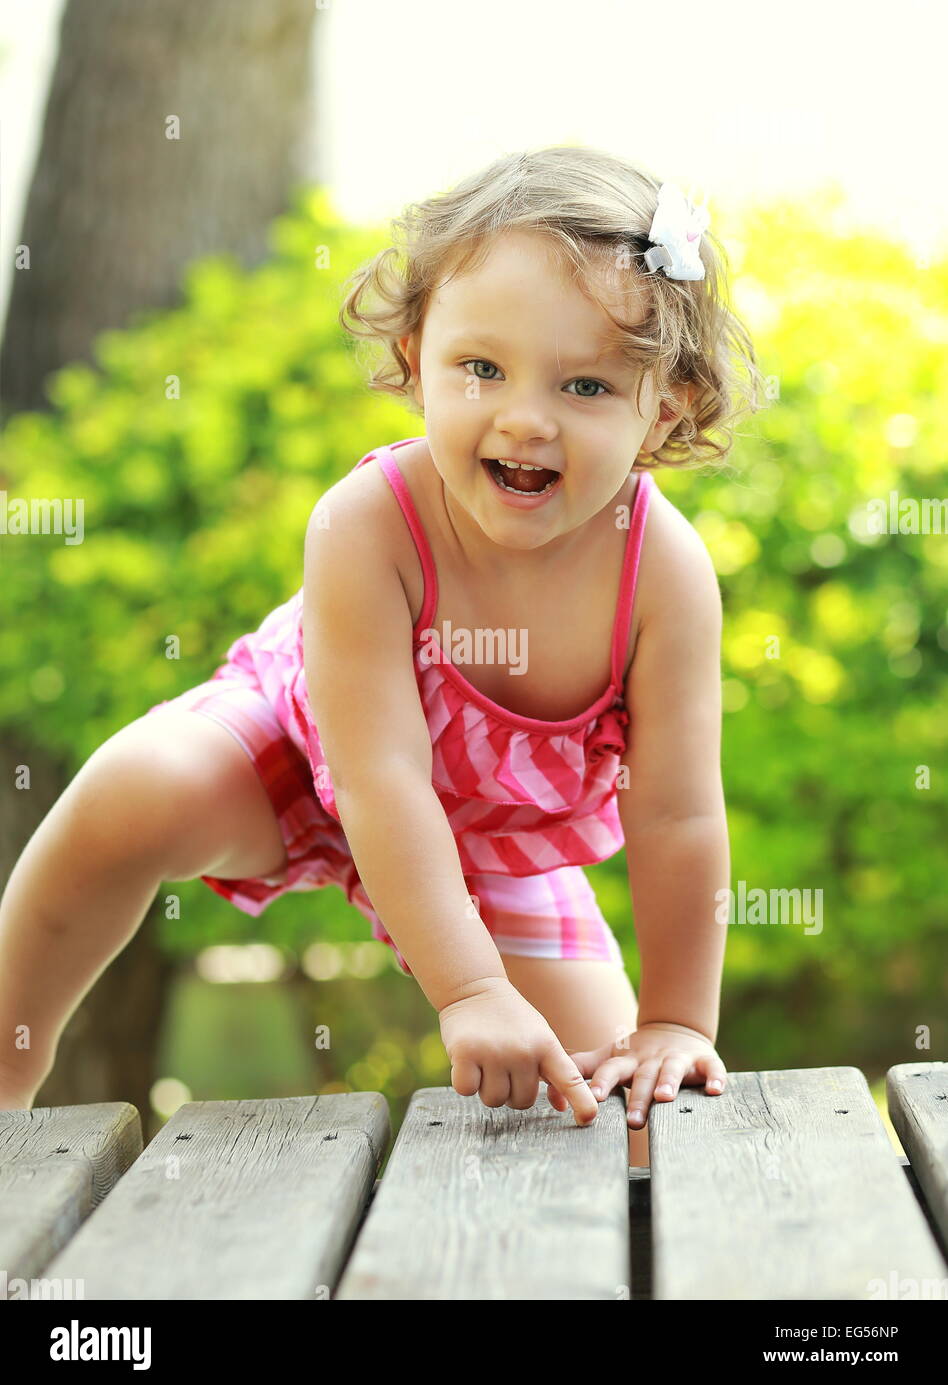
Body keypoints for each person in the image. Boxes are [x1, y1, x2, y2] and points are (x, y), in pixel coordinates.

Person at [0, 146, 764, 1168]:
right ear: (416, 355)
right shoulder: (370, 521)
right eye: (481, 368)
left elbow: (676, 811)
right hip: (316, 757)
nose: (524, 418)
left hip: (493, 841)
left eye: (585, 383)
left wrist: (678, 1019)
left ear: (663, 407)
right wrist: (471, 989)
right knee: (138, 786)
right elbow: (377, 775)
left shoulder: (660, 571)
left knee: (619, 1115)